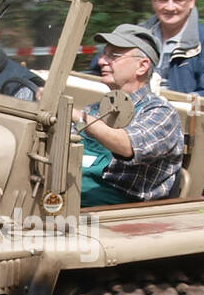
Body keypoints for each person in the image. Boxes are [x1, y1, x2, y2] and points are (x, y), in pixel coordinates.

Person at [72, 23, 184, 206]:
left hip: (122, 215)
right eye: (103, 54)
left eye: (113, 55)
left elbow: (127, 146)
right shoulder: (95, 109)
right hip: (75, 199)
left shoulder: (161, 113)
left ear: (142, 66)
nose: (101, 61)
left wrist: (80, 118)